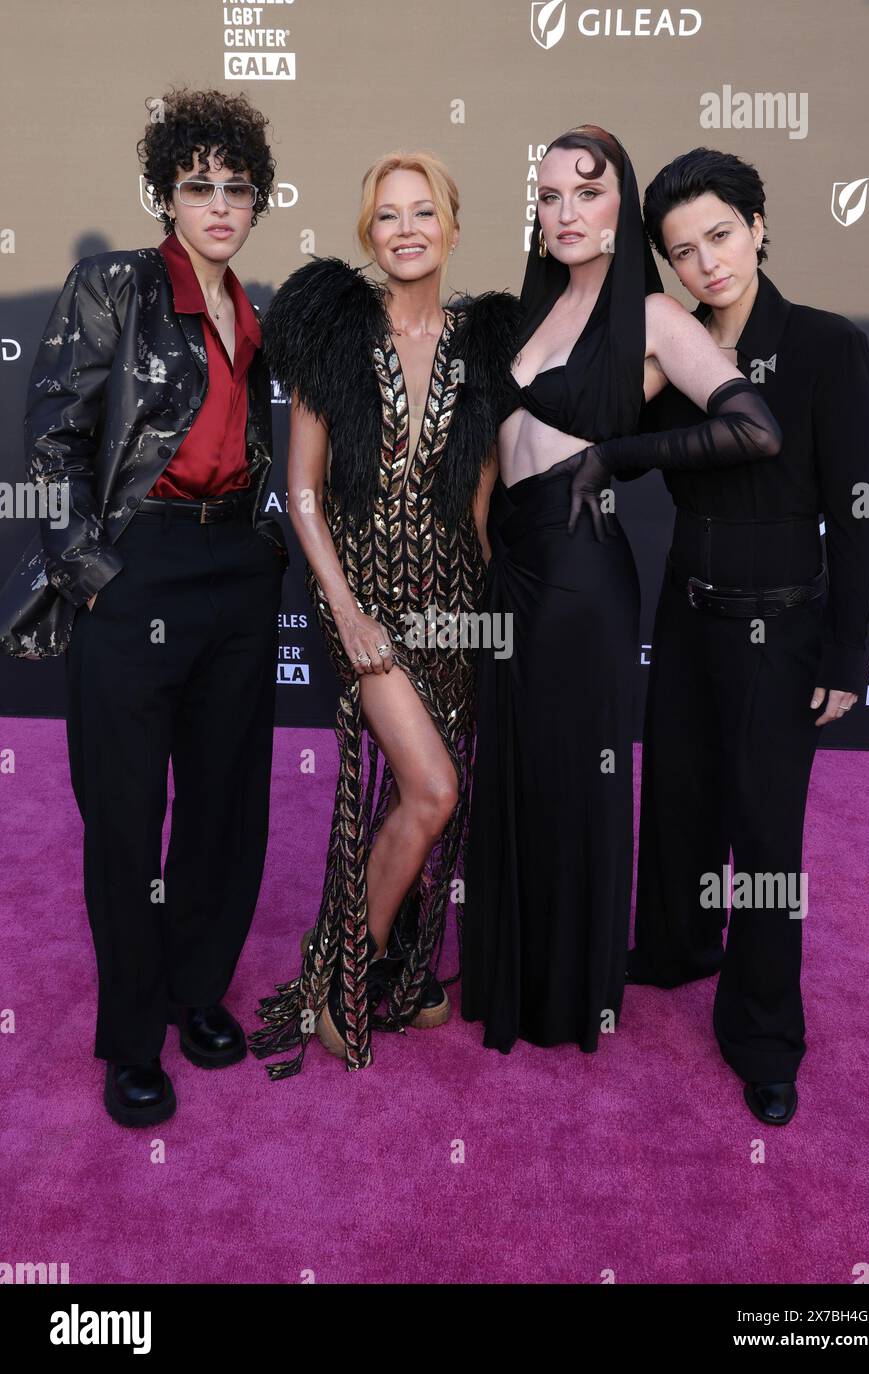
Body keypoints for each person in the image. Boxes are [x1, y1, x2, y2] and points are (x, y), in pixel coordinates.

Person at [460, 126, 784, 1057]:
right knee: (515, 770)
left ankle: (569, 995)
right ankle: (515, 974)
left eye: (588, 193)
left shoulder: (651, 317)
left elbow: (752, 426)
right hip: (512, 569)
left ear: (622, 207)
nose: (566, 212)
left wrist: (618, 456)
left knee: (572, 775)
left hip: (580, 576)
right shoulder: (533, 310)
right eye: (551, 195)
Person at [0, 87, 288, 1126]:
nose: (218, 203)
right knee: (126, 822)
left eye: (236, 187)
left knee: (224, 807)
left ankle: (196, 992)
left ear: (258, 202)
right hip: (138, 569)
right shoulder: (113, 287)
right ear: (166, 194)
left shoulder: (252, 311)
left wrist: (265, 552)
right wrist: (92, 572)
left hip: (236, 577)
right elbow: (53, 444)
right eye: (197, 184)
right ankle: (131, 1037)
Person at [248, 152, 519, 1076]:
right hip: (361, 597)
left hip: (453, 602)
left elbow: (479, 500)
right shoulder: (333, 334)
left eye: (424, 212)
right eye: (388, 216)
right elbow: (303, 493)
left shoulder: (484, 344)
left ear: (451, 225)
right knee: (433, 788)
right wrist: (347, 613)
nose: (407, 229)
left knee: (428, 795)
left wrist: (495, 606)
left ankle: (404, 963)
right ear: (370, 233)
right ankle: (339, 972)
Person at [627, 148, 869, 1125]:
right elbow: (606, 444)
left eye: (721, 236)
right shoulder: (672, 347)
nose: (708, 264)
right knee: (679, 801)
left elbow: (855, 512)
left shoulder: (826, 344)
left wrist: (848, 652)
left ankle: (766, 1034)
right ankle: (677, 945)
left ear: (760, 226)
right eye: (683, 251)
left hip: (783, 628)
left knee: (767, 838)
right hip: (685, 618)